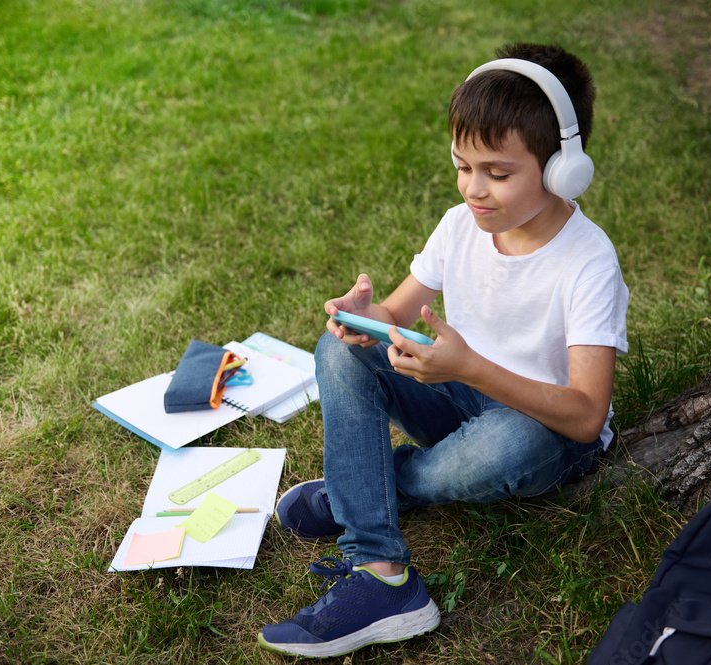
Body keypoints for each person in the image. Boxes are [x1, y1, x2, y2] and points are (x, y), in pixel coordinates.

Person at [258, 41, 629, 658]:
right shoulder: (460, 225)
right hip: (458, 394)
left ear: (565, 167)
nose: (474, 189)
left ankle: (369, 489)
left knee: (510, 444)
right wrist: (364, 318)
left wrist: (469, 366)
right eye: (463, 166)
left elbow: (587, 417)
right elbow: (395, 314)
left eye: (498, 173)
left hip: (545, 433)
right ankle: (382, 574)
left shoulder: (588, 261)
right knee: (339, 353)